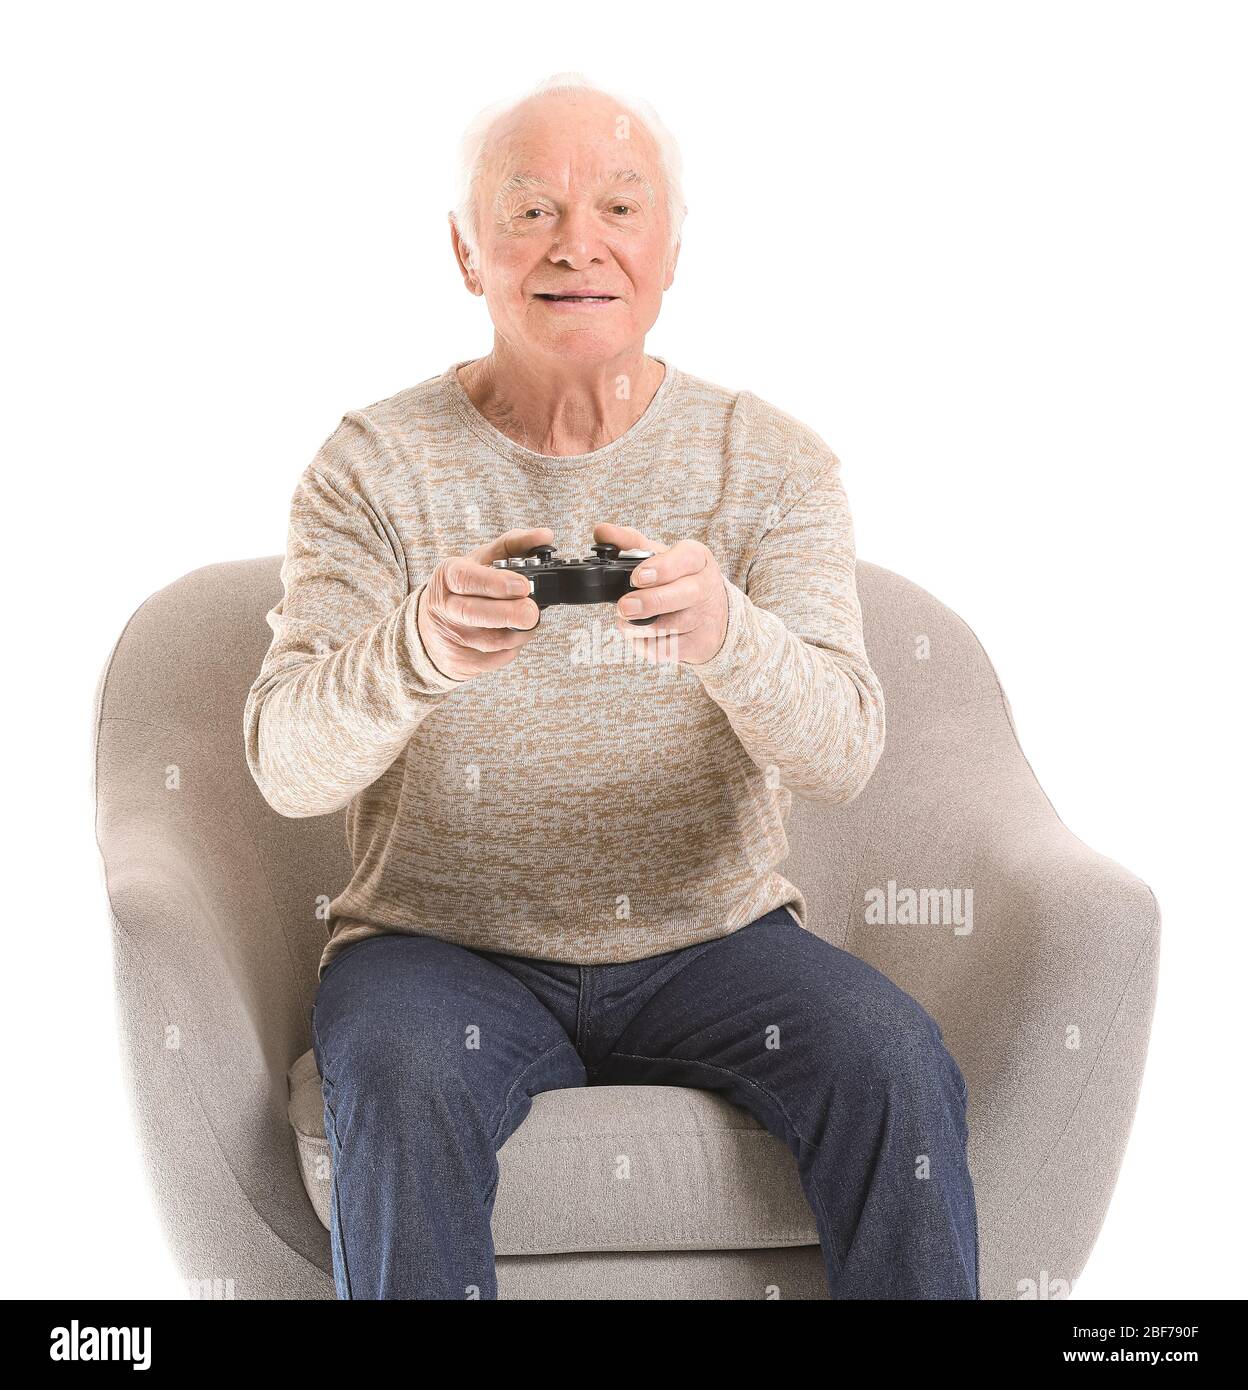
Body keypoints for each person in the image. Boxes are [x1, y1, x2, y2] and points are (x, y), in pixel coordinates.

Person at [243, 70, 979, 1300]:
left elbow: (844, 750)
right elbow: (284, 762)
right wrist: (416, 646)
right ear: (464, 249)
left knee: (893, 1056)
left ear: (673, 248)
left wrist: (727, 634)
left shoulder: (772, 461)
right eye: (529, 212)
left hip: (714, 941)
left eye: (619, 209)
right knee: (406, 1073)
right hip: (439, 944)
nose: (576, 245)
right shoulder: (369, 464)